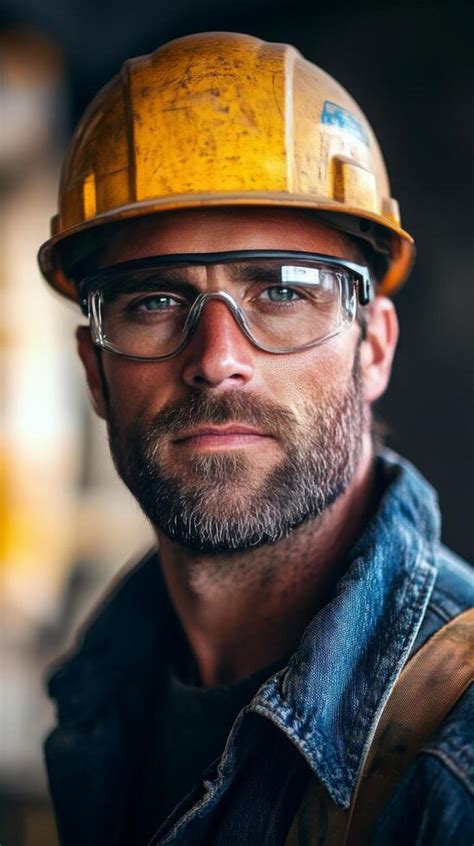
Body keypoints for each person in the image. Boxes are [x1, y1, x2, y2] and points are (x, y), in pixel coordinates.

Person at [37, 32, 472, 846]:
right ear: (96, 373)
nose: (217, 361)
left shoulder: (457, 754)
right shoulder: (100, 694)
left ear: (373, 348)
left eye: (282, 290)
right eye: (154, 302)